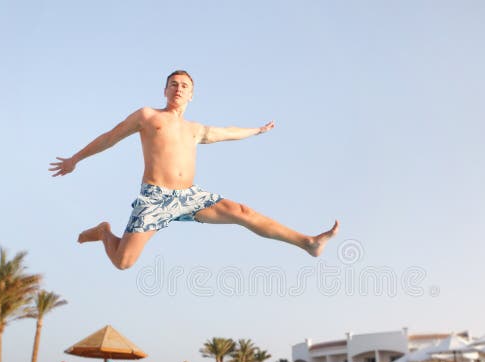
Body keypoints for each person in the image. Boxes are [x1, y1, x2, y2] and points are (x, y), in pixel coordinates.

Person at [50, 70, 339, 270]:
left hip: (189, 197)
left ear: (192, 95)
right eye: (173, 84)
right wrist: (76, 158)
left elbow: (228, 132)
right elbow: (110, 136)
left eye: (184, 85)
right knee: (124, 262)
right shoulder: (147, 116)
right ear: (165, 90)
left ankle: (308, 242)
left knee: (243, 212)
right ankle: (103, 232)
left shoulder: (195, 130)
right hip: (155, 197)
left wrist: (257, 131)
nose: (178, 88)